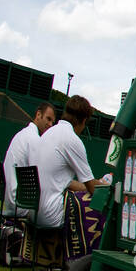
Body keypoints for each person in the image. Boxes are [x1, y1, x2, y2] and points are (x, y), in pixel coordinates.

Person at [32, 96, 106, 229]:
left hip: (31, 211)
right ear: (83, 120)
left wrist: (89, 186)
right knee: (95, 207)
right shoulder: (72, 140)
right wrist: (105, 187)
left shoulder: (48, 133)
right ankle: (89, 250)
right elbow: (92, 188)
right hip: (49, 215)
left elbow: (68, 182)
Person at [3, 102, 56, 213]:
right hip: (21, 204)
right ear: (38, 115)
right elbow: (46, 176)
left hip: (9, 201)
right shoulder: (34, 139)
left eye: (52, 122)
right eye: (48, 119)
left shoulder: (22, 134)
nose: (50, 124)